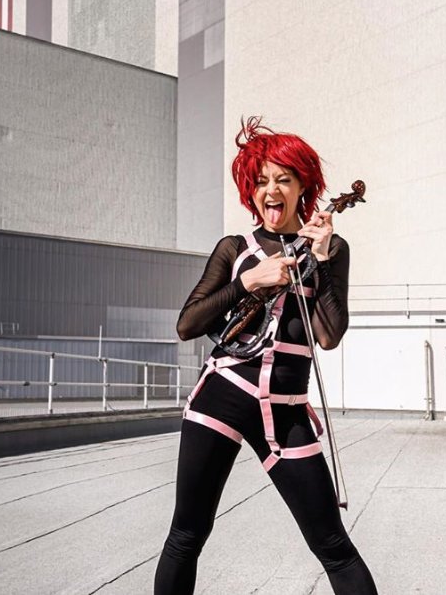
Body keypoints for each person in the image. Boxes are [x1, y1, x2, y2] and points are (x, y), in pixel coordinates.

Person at [154, 117, 378, 595]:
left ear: (303, 187)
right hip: (221, 397)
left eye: (283, 179)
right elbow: (187, 325)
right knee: (187, 535)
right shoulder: (235, 249)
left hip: (287, 411)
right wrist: (248, 281)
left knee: (333, 545)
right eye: (260, 181)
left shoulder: (331, 249)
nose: (270, 191)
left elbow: (329, 335)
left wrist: (320, 260)